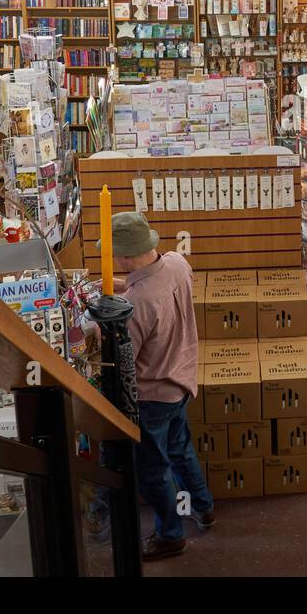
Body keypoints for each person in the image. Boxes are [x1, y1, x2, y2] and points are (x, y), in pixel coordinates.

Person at [107, 211, 214, 560]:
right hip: (182, 379)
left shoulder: (136, 305)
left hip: (152, 395)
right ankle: (203, 506)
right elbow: (158, 289)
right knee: (181, 448)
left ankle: (171, 535)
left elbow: (127, 359)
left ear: (123, 256)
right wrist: (125, 286)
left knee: (152, 471)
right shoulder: (176, 262)